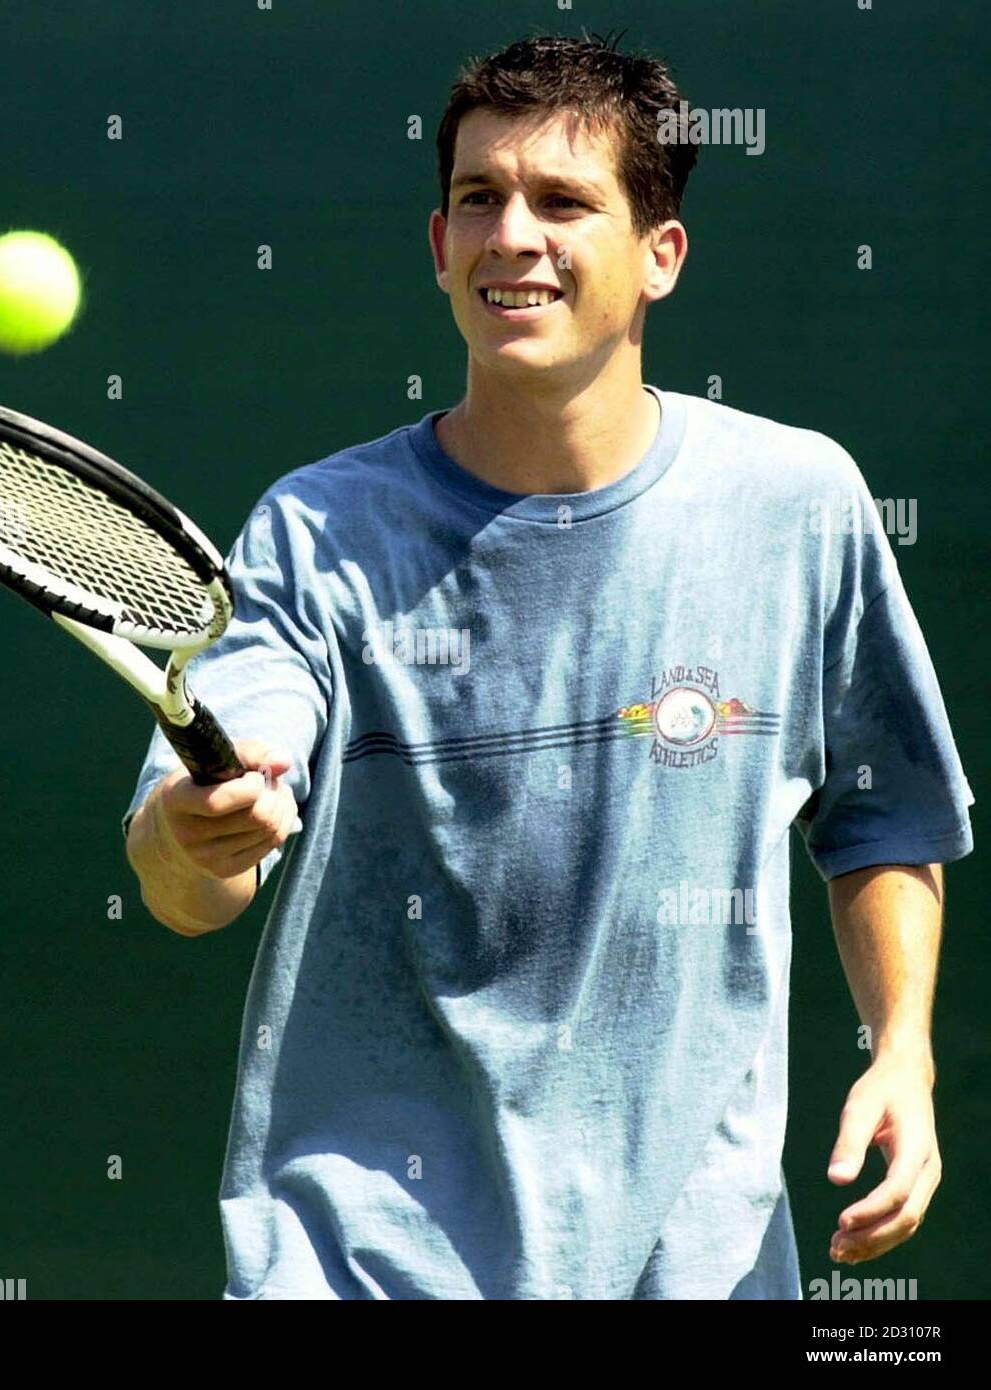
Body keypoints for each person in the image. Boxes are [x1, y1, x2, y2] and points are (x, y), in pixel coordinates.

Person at [124, 33, 974, 1299]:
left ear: (660, 260)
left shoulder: (799, 504)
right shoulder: (315, 532)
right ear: (438, 246)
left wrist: (902, 1049)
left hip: (695, 1265)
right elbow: (187, 881)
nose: (511, 234)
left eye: (563, 201)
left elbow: (879, 819)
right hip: (360, 1258)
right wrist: (200, 841)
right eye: (479, 198)